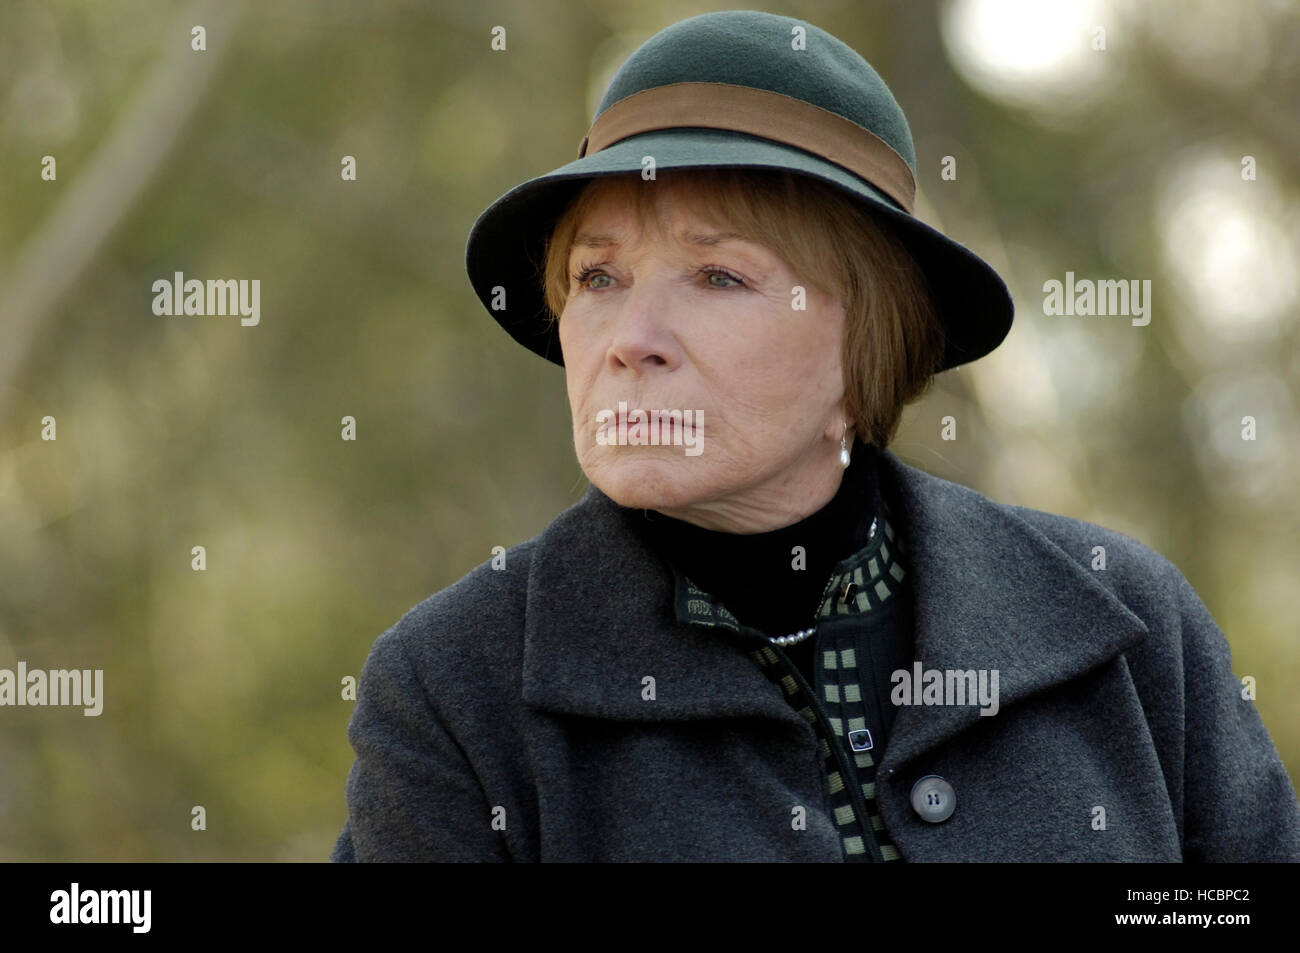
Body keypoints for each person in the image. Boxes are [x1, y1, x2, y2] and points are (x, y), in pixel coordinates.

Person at [331, 9, 1300, 862]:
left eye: (718, 278)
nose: (630, 342)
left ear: (869, 340)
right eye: (597, 278)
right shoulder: (454, 689)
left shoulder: (1125, 625)